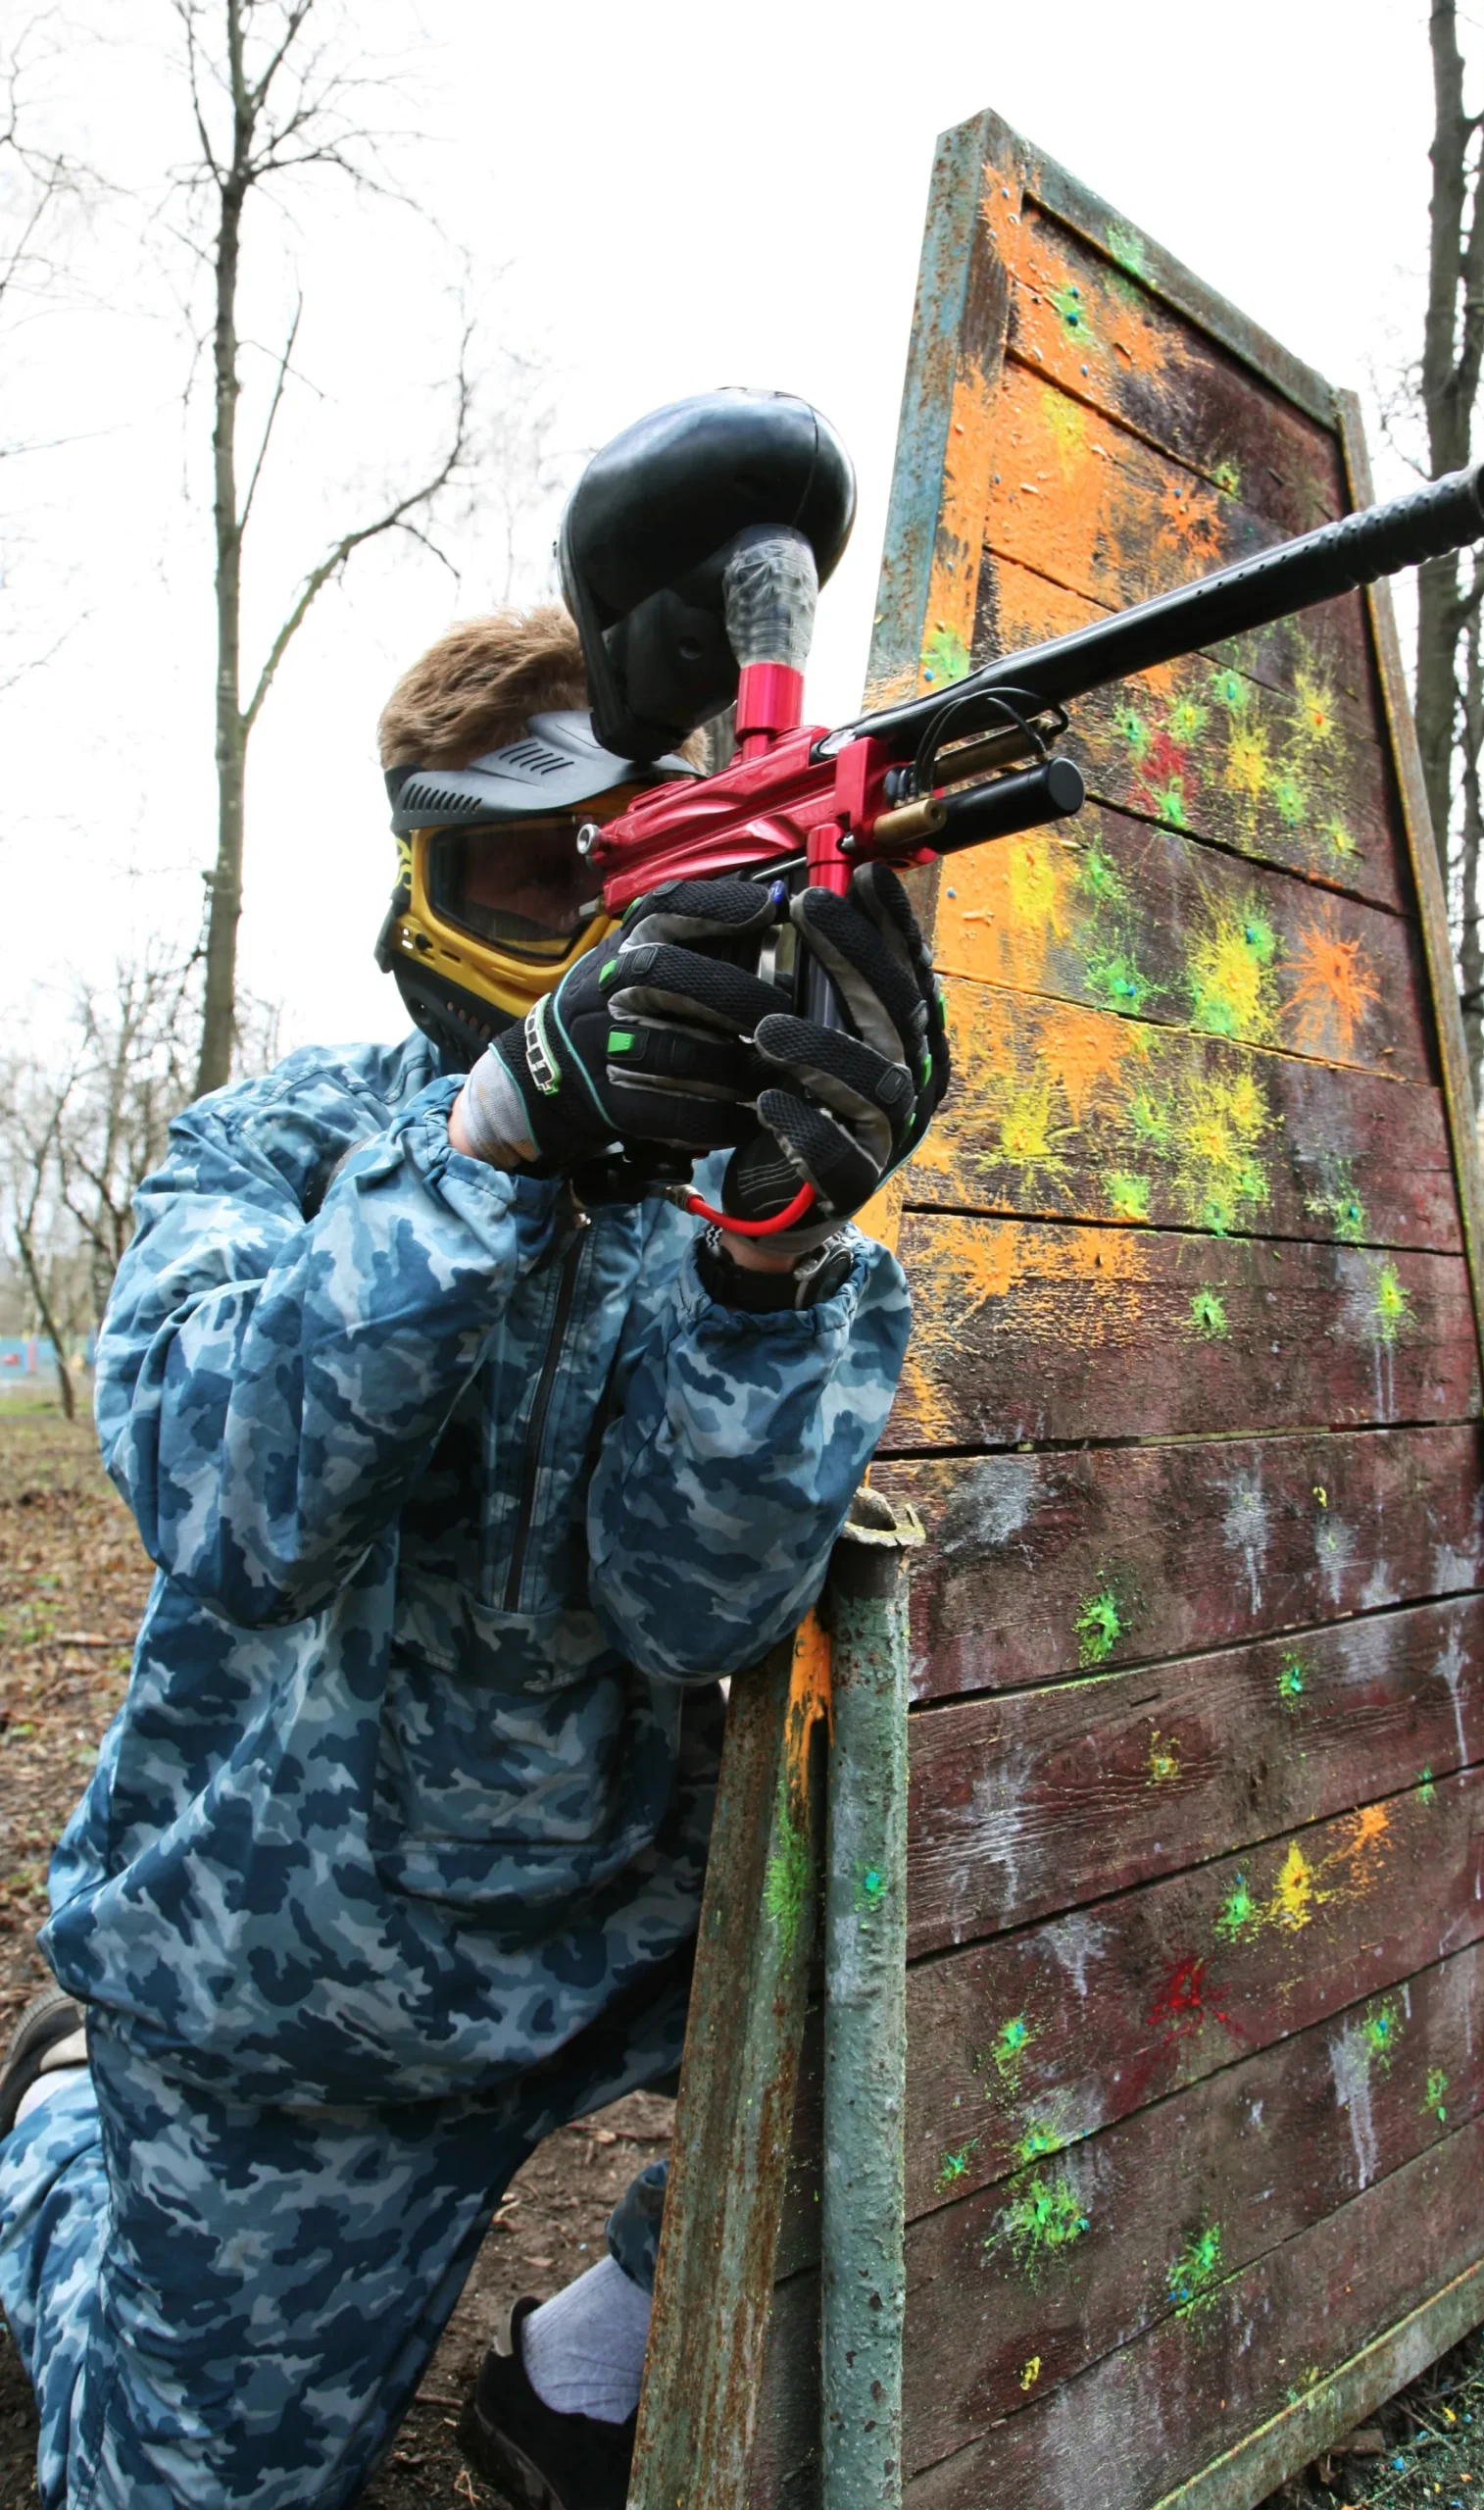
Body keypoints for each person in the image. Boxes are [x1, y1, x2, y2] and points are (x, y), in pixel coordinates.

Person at [0, 600, 948, 2510]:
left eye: (646, 866)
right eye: (538, 873)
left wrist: (765, 1265)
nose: (601, 929)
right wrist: (500, 1140)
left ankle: (586, 2368)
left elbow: (694, 1593)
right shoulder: (274, 1144)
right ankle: (54, 2127)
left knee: (948, 1994)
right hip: (294, 2004)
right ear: (429, 880)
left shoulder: (721, 1197)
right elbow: (232, 1500)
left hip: (618, 1932)